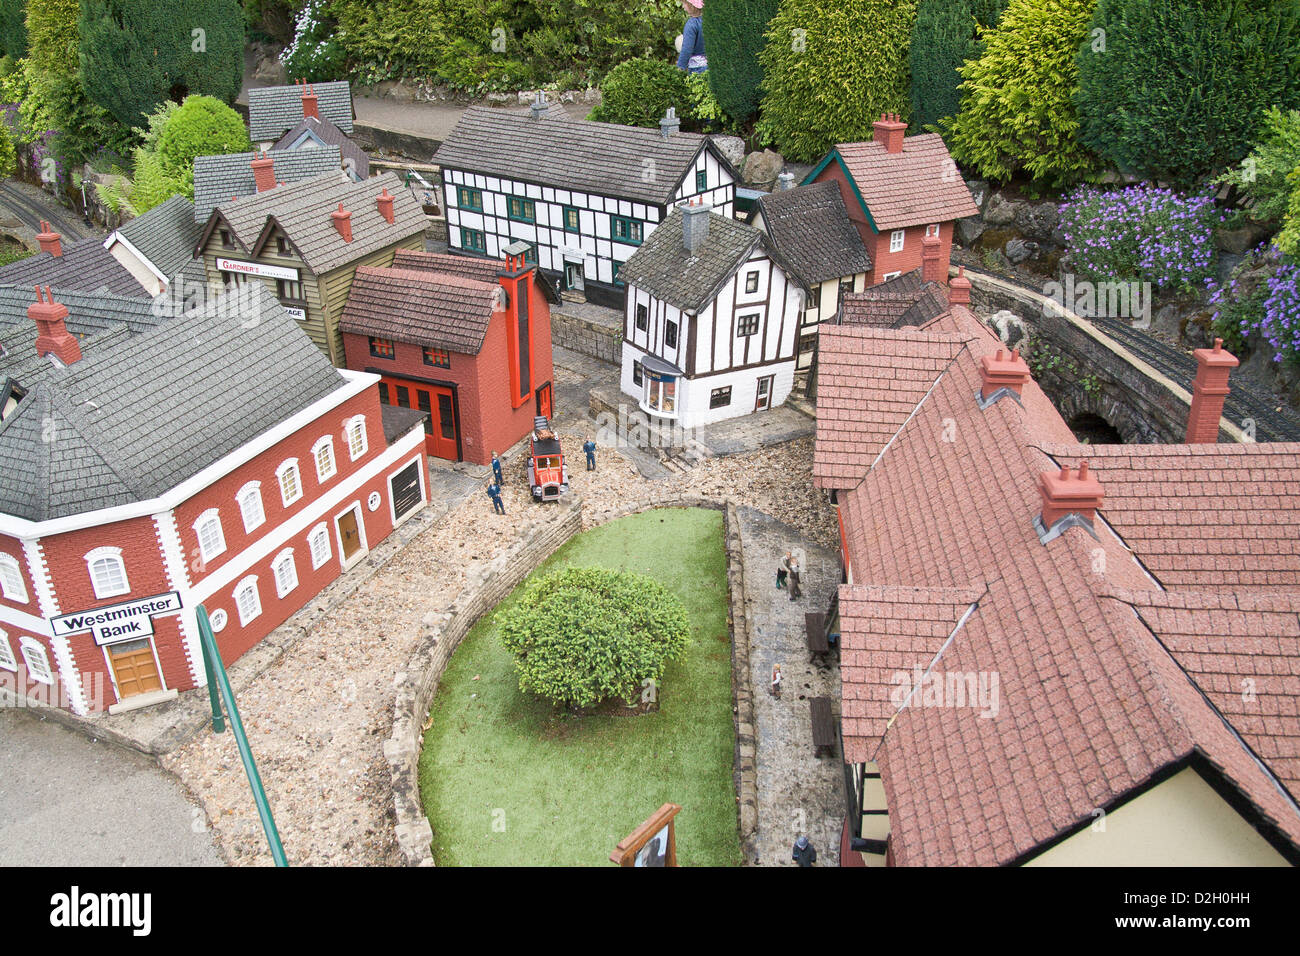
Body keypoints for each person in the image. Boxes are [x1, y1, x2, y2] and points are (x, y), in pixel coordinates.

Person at [675, 0, 707, 74]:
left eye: (684, 3)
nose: (683, 6)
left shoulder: (691, 25)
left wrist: (680, 67)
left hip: (697, 69)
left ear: (692, 5)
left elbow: (687, 49)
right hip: (710, 65)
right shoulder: (707, 20)